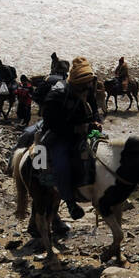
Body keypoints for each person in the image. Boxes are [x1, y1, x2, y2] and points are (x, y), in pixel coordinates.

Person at [41, 56, 100, 220]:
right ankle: (70, 202)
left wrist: (96, 121)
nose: (87, 88)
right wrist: (74, 128)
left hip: (85, 131)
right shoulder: (58, 93)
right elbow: (50, 121)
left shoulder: (86, 90)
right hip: (61, 135)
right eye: (84, 85)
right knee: (62, 163)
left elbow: (94, 110)